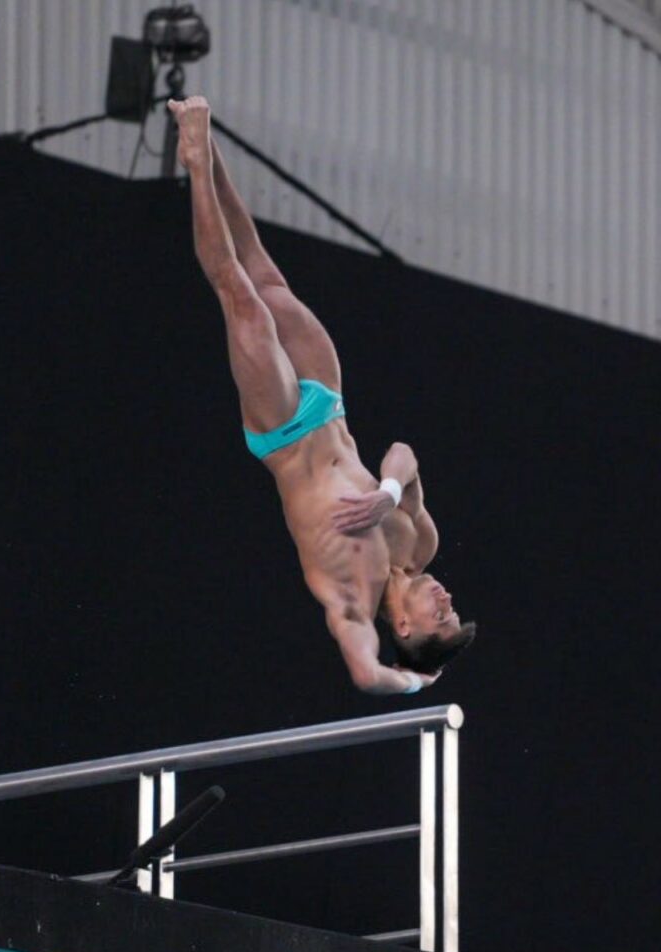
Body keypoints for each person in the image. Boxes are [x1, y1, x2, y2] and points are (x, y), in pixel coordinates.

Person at [169, 95, 475, 694]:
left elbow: (367, 676)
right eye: (453, 605)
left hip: (282, 431)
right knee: (267, 277)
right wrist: (388, 494)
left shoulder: (350, 601)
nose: (446, 596)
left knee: (241, 299)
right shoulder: (417, 541)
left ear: (406, 627)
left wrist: (418, 683)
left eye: (441, 614)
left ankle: (195, 160)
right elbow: (405, 456)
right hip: (327, 406)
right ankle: (204, 145)